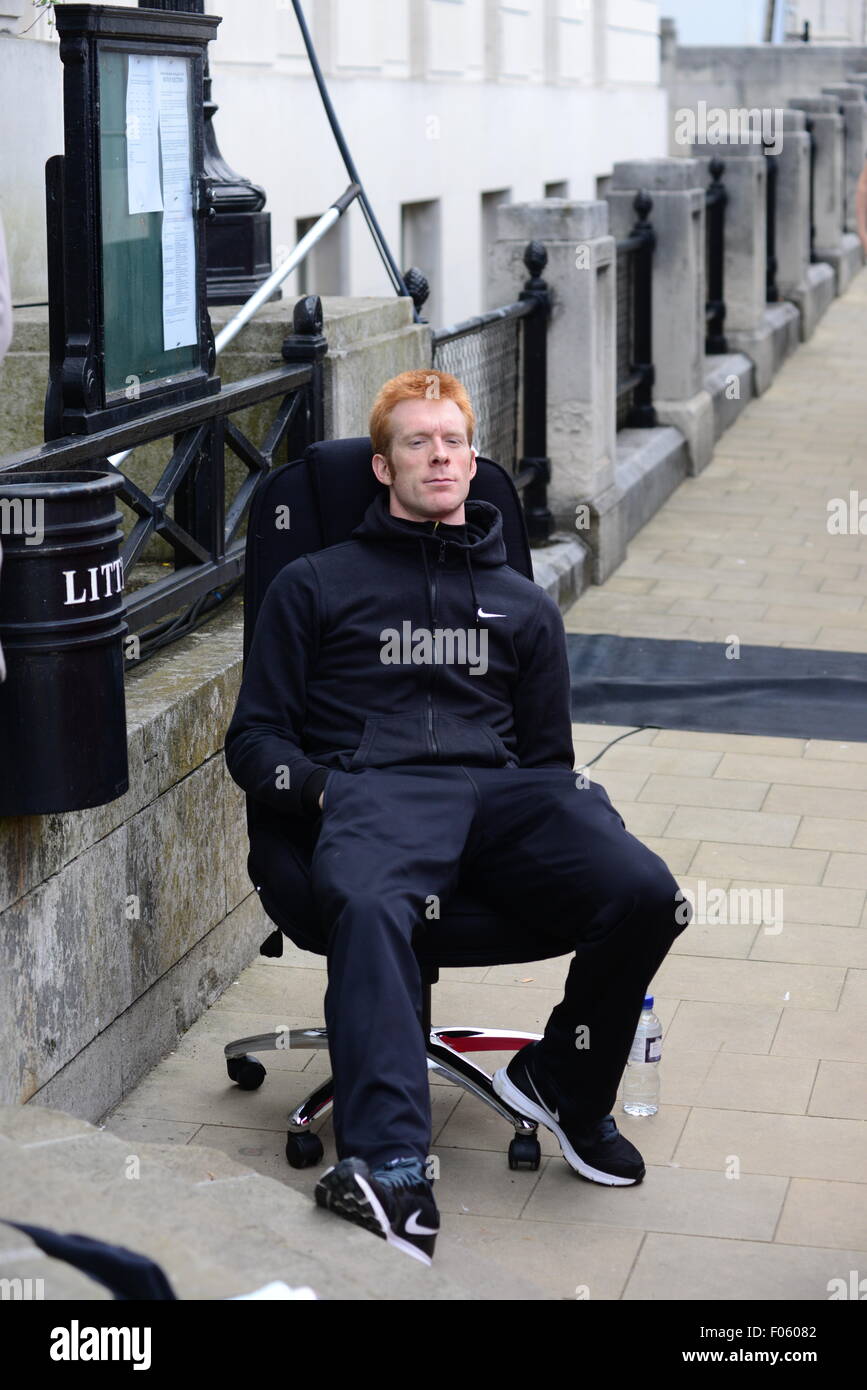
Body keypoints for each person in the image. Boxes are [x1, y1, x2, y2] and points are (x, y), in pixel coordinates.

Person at [224, 369, 691, 1266]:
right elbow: (256, 743)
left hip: (507, 801)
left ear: (473, 459)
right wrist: (327, 792)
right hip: (370, 795)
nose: (439, 456)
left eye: (453, 442)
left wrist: (544, 829)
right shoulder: (315, 585)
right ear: (381, 464)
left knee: (647, 893)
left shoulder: (521, 603)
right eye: (417, 442)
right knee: (370, 905)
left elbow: (548, 760)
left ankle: (562, 1082)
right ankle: (389, 1161)